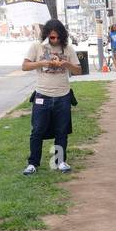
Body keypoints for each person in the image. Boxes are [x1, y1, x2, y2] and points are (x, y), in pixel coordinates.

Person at [21, 18, 82, 175]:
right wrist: (42, 63)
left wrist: (65, 64)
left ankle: (60, 161)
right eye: (52, 37)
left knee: (61, 130)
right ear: (46, 35)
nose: (55, 40)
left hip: (63, 95)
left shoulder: (68, 49)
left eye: (58, 37)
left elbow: (78, 70)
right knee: (37, 130)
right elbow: (25, 66)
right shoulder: (37, 47)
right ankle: (33, 163)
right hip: (43, 94)